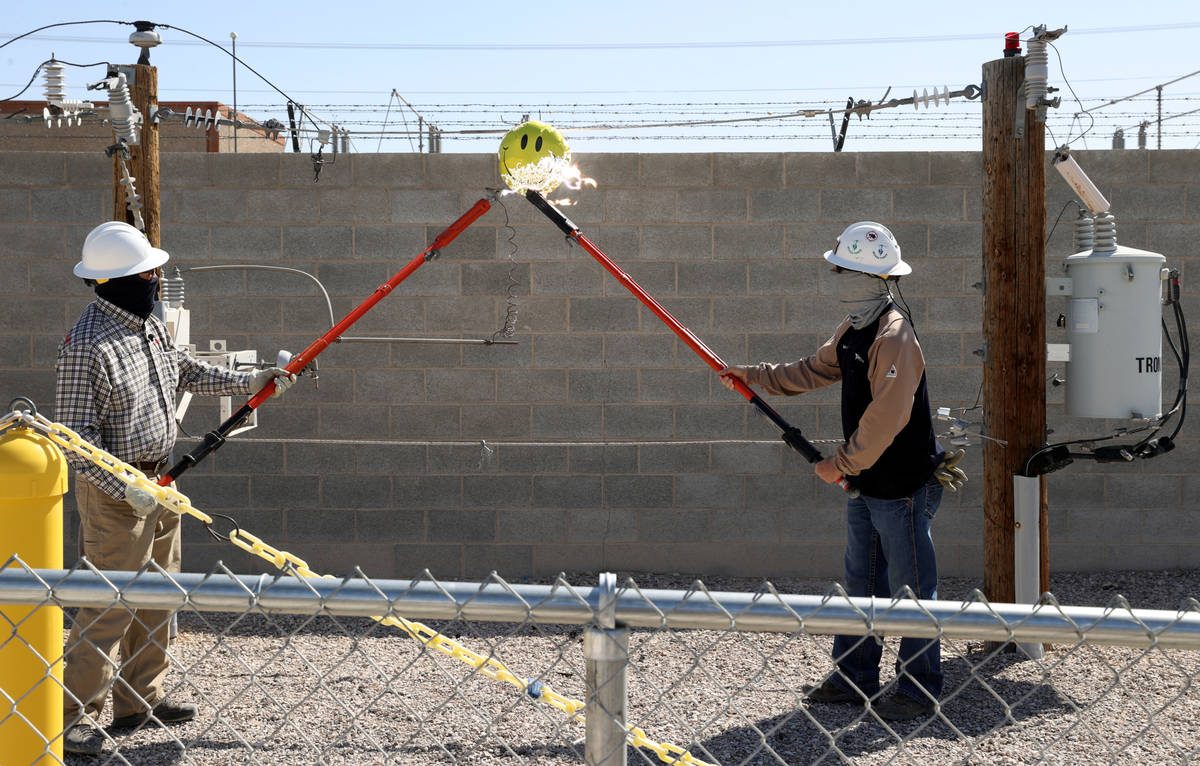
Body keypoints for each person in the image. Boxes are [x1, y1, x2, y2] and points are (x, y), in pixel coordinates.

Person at [55, 221, 297, 755]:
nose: (158, 279)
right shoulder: (85, 346)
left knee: (161, 595)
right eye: (149, 273)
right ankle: (73, 716)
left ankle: (140, 700)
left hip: (163, 480)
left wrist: (248, 382)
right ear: (118, 280)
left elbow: (183, 370)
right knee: (110, 604)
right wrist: (124, 485)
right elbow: (76, 442)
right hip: (117, 491)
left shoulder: (150, 323)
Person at [721, 221, 964, 722]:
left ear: (867, 276)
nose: (832, 275)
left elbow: (888, 416)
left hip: (900, 486)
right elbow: (815, 368)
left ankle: (919, 689)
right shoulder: (855, 328)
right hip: (868, 484)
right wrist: (756, 377)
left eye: (840, 269)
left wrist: (841, 463)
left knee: (914, 587)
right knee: (863, 580)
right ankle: (854, 678)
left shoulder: (894, 336)